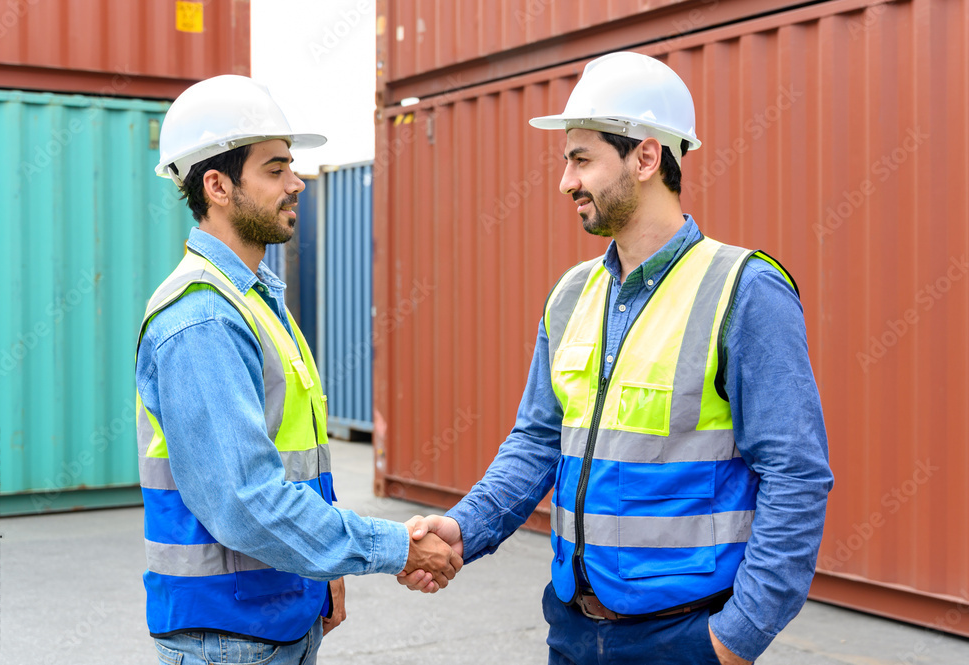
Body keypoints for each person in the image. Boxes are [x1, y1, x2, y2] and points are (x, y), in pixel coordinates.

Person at [399, 52, 834, 664]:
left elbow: (797, 476)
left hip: (684, 637)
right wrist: (465, 529)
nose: (565, 181)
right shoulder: (573, 293)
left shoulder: (744, 289)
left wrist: (735, 639)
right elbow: (537, 443)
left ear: (647, 157)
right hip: (573, 629)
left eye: (581, 159)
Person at [135, 75, 461, 665]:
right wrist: (396, 548)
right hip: (228, 637)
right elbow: (246, 502)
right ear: (217, 185)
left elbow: (296, 466)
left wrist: (322, 567)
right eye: (276, 168)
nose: (297, 182)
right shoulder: (203, 318)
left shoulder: (256, 299)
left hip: (274, 617)